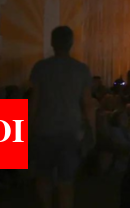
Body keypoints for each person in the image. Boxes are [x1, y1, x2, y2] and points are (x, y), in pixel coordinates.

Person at [29, 26, 95, 208]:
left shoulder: (41, 68)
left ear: (52, 42)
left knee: (43, 178)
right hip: (71, 132)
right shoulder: (81, 69)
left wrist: (28, 130)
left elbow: (34, 102)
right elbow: (88, 104)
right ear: (71, 43)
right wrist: (92, 131)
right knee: (66, 182)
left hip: (43, 130)